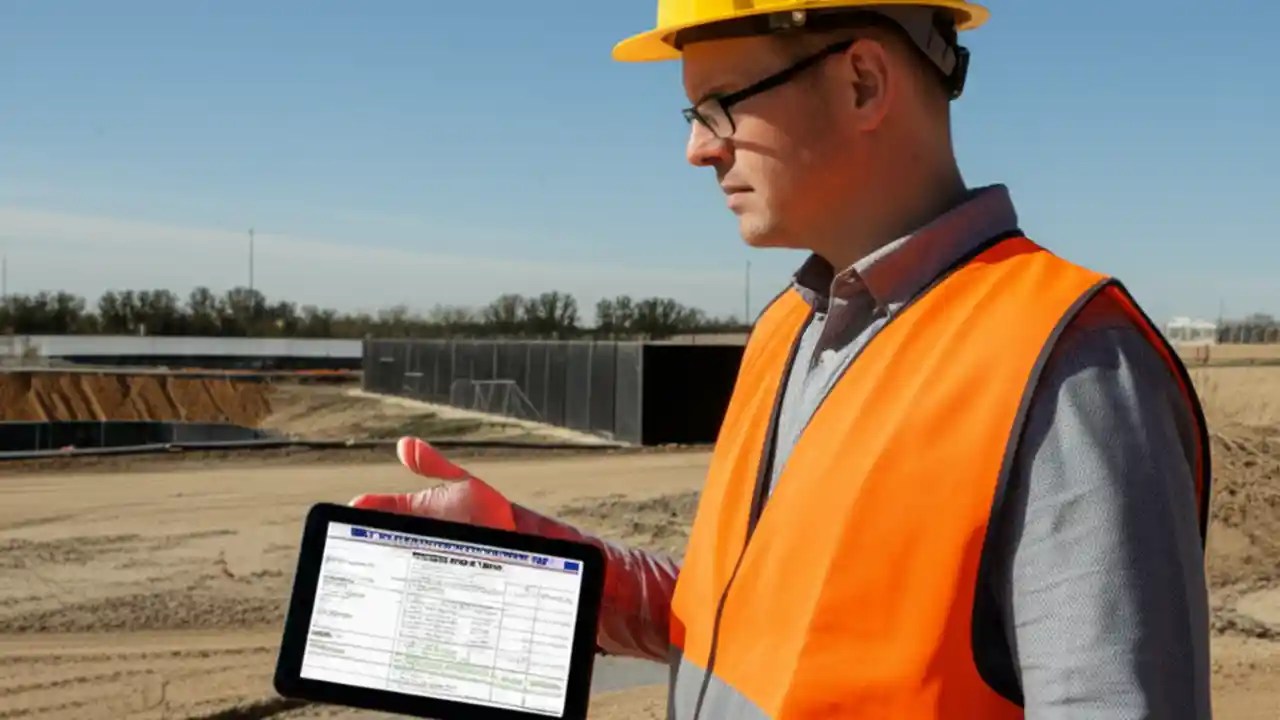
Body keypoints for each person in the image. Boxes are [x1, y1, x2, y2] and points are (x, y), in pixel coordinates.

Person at [352, 1, 1215, 717]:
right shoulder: (788, 334)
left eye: (722, 104)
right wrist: (537, 556)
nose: (698, 148)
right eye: (693, 114)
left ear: (863, 82)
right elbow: (749, 623)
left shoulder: (1069, 365)